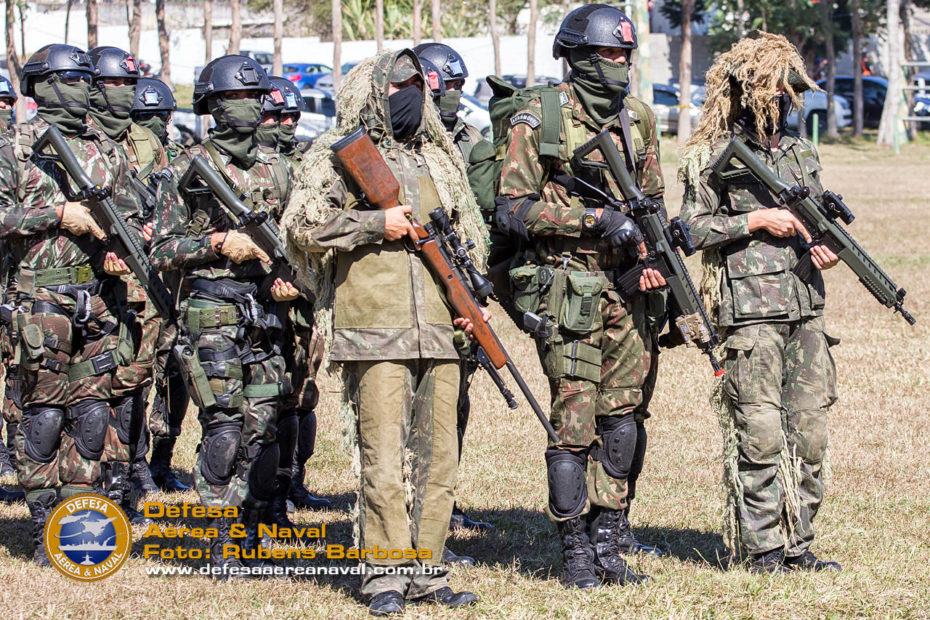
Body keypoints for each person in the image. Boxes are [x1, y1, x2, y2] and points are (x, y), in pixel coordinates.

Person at [281, 50, 486, 615]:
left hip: (443, 331)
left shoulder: (439, 161)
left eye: (419, 85)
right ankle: (385, 578)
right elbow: (300, 228)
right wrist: (376, 222)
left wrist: (471, 306)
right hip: (373, 327)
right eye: (400, 85)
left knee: (440, 459)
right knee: (383, 459)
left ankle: (428, 570)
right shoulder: (336, 157)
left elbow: (462, 245)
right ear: (373, 89)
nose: (412, 95)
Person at [496, 4, 666, 588]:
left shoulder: (639, 118)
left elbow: (652, 206)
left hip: (628, 294)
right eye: (610, 56)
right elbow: (513, 210)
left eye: (627, 56)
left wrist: (657, 256)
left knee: (622, 422)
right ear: (580, 58)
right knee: (574, 423)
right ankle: (572, 550)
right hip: (570, 290)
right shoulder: (539, 117)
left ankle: (608, 542)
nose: (621, 65)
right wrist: (593, 221)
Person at [678, 31, 842, 574]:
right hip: (749, 315)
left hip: (806, 311)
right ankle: (764, 547)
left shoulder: (801, 152)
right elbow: (689, 228)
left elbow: (816, 221)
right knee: (761, 435)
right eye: (771, 90)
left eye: (788, 91)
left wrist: (825, 248)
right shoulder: (710, 154)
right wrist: (754, 220)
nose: (782, 100)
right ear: (746, 91)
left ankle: (800, 542)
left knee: (810, 433)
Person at [150, 54, 298, 575]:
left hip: (265, 312)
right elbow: (161, 248)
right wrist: (216, 242)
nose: (252, 105)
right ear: (213, 104)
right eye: (239, 96)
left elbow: (294, 241)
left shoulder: (280, 167)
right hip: (211, 310)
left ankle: (252, 532)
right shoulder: (186, 168)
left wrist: (285, 276)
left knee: (263, 428)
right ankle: (218, 540)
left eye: (256, 96)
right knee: (225, 427)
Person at [5, 43, 145, 564]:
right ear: (41, 84)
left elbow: (128, 214)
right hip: (37, 298)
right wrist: (57, 213)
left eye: (87, 77)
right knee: (42, 416)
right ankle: (43, 518)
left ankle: (77, 518)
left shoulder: (105, 147)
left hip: (98, 300)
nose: (84, 86)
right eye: (71, 78)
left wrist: (121, 250)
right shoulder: (13, 149)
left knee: (91, 415)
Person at [413, 43, 496, 545]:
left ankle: (442, 503)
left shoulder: (470, 141)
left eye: (463, 88)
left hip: (459, 286)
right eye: (450, 87)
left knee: (452, 402)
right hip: (408, 282)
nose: (455, 97)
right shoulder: (401, 139)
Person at [86, 45, 165, 512]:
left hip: (142, 275)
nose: (126, 93)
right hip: (96, 279)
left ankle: (132, 468)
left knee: (139, 378)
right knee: (98, 382)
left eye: (130, 85)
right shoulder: (81, 139)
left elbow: (159, 194)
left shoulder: (145, 140)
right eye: (117, 84)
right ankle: (97, 478)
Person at [265, 75, 332, 517]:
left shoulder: (308, 164)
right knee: (271, 401)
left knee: (304, 395)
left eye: (293, 115)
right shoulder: (257, 168)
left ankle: (295, 483)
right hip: (267, 299)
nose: (288, 122)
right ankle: (267, 494)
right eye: (278, 115)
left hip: (307, 299)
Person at [129, 76, 191, 492]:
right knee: (136, 376)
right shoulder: (122, 155)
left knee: (177, 373)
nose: (158, 123)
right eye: (147, 116)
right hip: (137, 283)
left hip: (174, 281)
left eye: (161, 115)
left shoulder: (180, 156)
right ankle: (133, 466)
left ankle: (161, 462)